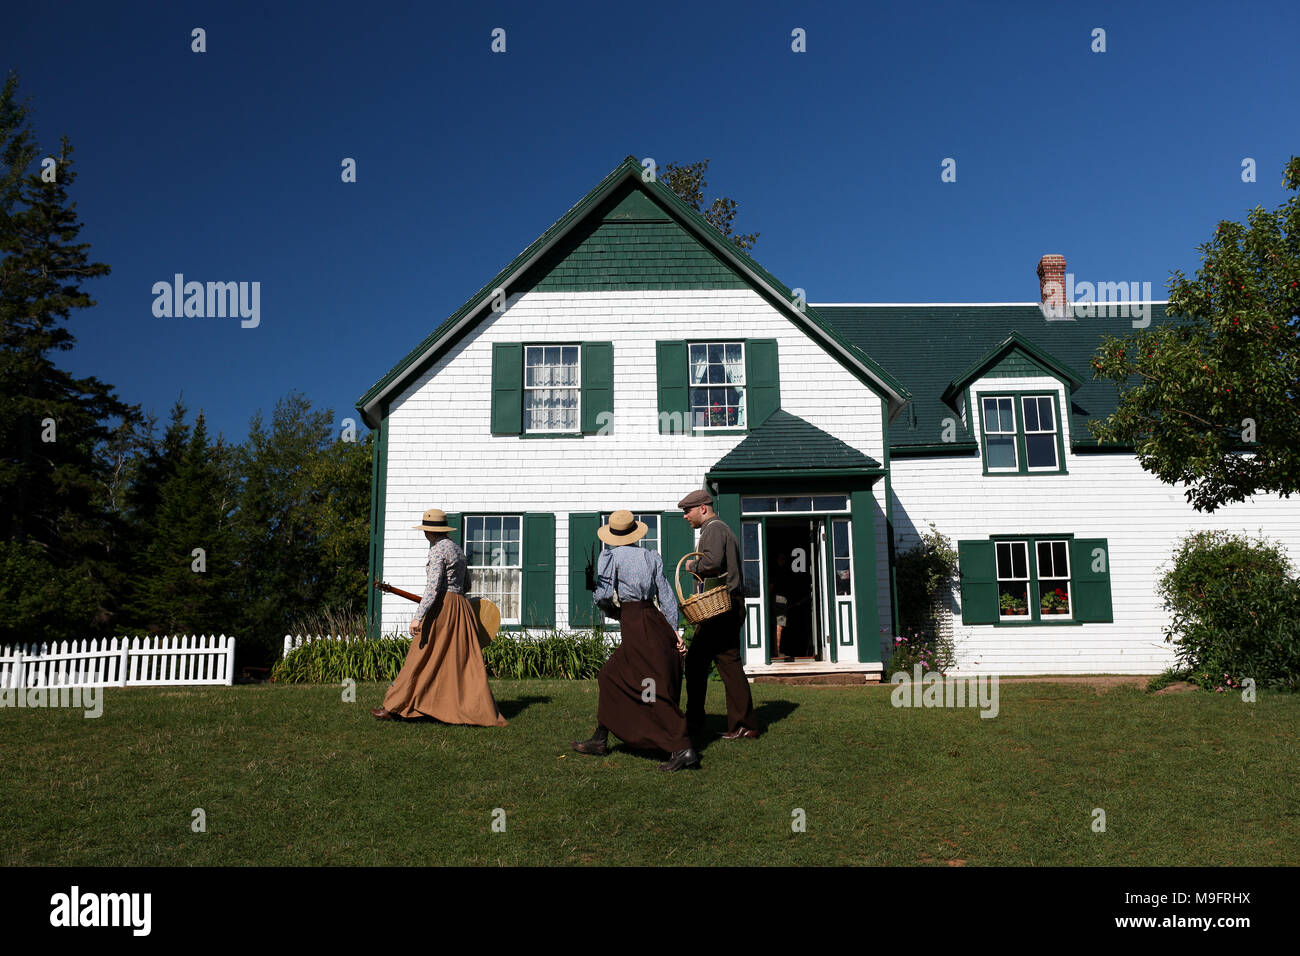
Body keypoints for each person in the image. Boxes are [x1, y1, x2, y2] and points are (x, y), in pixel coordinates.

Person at [570, 510, 699, 772]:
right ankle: (601, 737)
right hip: (654, 620)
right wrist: (674, 630)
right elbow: (665, 596)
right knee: (611, 675)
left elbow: (605, 595)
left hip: (636, 622)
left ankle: (682, 747)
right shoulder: (650, 556)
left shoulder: (610, 556)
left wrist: (601, 599)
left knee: (650, 683)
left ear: (613, 535)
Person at [370, 508, 507, 727]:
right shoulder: (458, 550)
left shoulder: (436, 551)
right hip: (461, 609)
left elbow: (433, 588)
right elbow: (468, 585)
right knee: (459, 662)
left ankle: (392, 707)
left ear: (429, 533)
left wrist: (418, 617)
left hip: (442, 608)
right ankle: (471, 708)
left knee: (419, 655)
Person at [678, 490, 759, 740]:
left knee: (703, 663)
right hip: (727, 607)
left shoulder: (713, 529)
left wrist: (692, 566)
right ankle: (742, 724)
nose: (684, 516)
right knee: (726, 663)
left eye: (687, 511)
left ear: (703, 508)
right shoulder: (721, 529)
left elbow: (711, 564)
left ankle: (700, 723)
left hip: (722, 609)